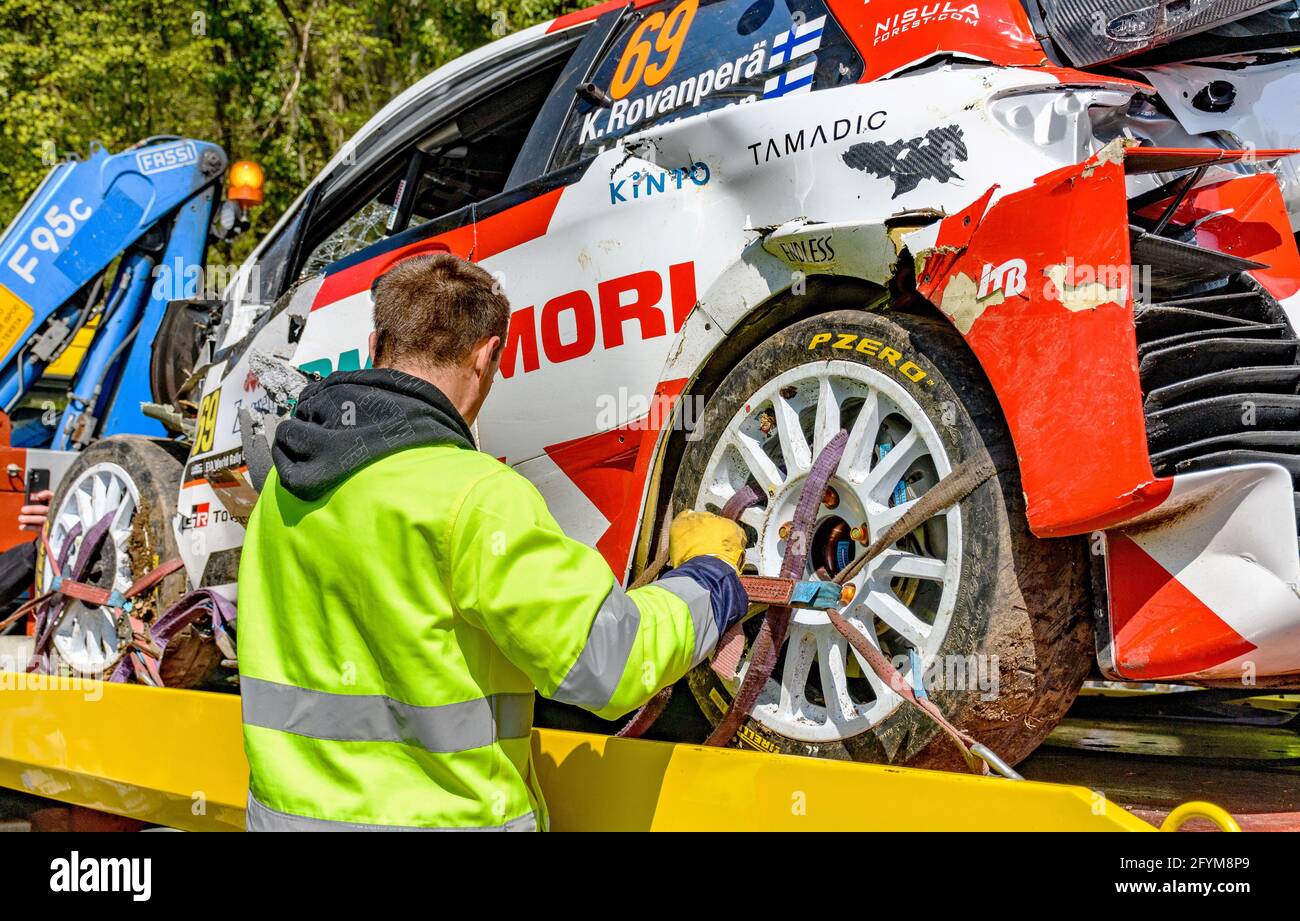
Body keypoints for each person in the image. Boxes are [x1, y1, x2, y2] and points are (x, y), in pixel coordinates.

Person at [237, 253, 749, 831]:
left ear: (375, 344)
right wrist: (709, 578)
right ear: (487, 356)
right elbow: (611, 662)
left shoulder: (283, 489)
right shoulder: (475, 495)